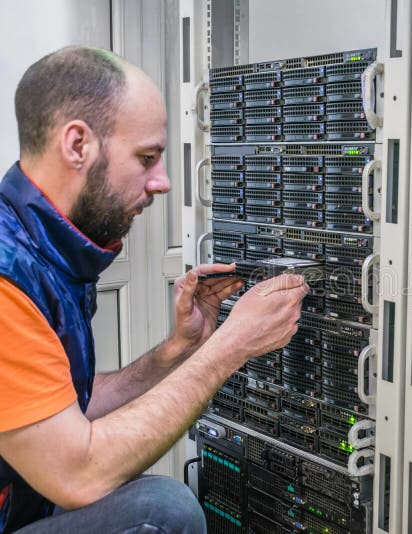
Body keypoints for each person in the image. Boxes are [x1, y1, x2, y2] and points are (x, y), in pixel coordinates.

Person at [0, 46, 307, 533]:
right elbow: (76, 473)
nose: (163, 182)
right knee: (162, 511)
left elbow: (65, 409)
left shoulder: (42, 249)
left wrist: (177, 351)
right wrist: (232, 346)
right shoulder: (7, 276)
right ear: (77, 144)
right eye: (146, 158)